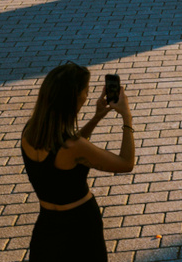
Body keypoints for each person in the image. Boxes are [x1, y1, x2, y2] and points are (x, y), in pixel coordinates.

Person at [19, 61, 135, 261]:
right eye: (86, 91)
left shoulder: (31, 132)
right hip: (80, 227)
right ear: (72, 98)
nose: (87, 96)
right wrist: (127, 118)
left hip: (47, 226)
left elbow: (65, 149)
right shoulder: (73, 146)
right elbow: (126, 163)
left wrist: (96, 118)